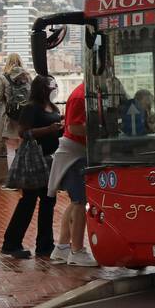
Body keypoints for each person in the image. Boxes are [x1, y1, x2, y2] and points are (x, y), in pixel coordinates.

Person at [0, 76, 62, 260]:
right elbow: (23, 132)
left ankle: (45, 244)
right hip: (35, 159)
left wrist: (58, 128)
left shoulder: (54, 107)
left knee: (48, 201)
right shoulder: (31, 107)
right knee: (29, 200)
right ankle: (11, 243)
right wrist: (49, 129)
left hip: (50, 158)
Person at [48, 82, 96, 267]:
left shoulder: (80, 94)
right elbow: (75, 127)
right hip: (75, 154)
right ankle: (77, 250)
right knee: (79, 202)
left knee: (75, 201)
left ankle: (62, 247)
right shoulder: (80, 96)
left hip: (74, 153)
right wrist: (100, 130)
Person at [0, 53, 31, 186]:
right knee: (23, 150)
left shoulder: (3, 78)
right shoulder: (28, 76)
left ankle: (13, 181)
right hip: (25, 117)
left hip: (9, 117)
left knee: (10, 150)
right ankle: (25, 179)